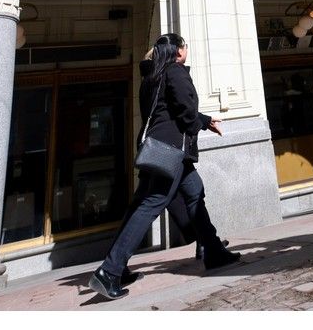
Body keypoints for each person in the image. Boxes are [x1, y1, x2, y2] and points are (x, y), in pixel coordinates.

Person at [88, 33, 239, 301]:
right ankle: (109, 271)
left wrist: (203, 120)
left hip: (158, 149)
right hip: (171, 151)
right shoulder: (175, 72)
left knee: (193, 192)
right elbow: (184, 110)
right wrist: (198, 121)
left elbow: (165, 110)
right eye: (185, 46)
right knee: (150, 205)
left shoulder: (152, 76)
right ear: (179, 51)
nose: (186, 51)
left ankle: (214, 252)